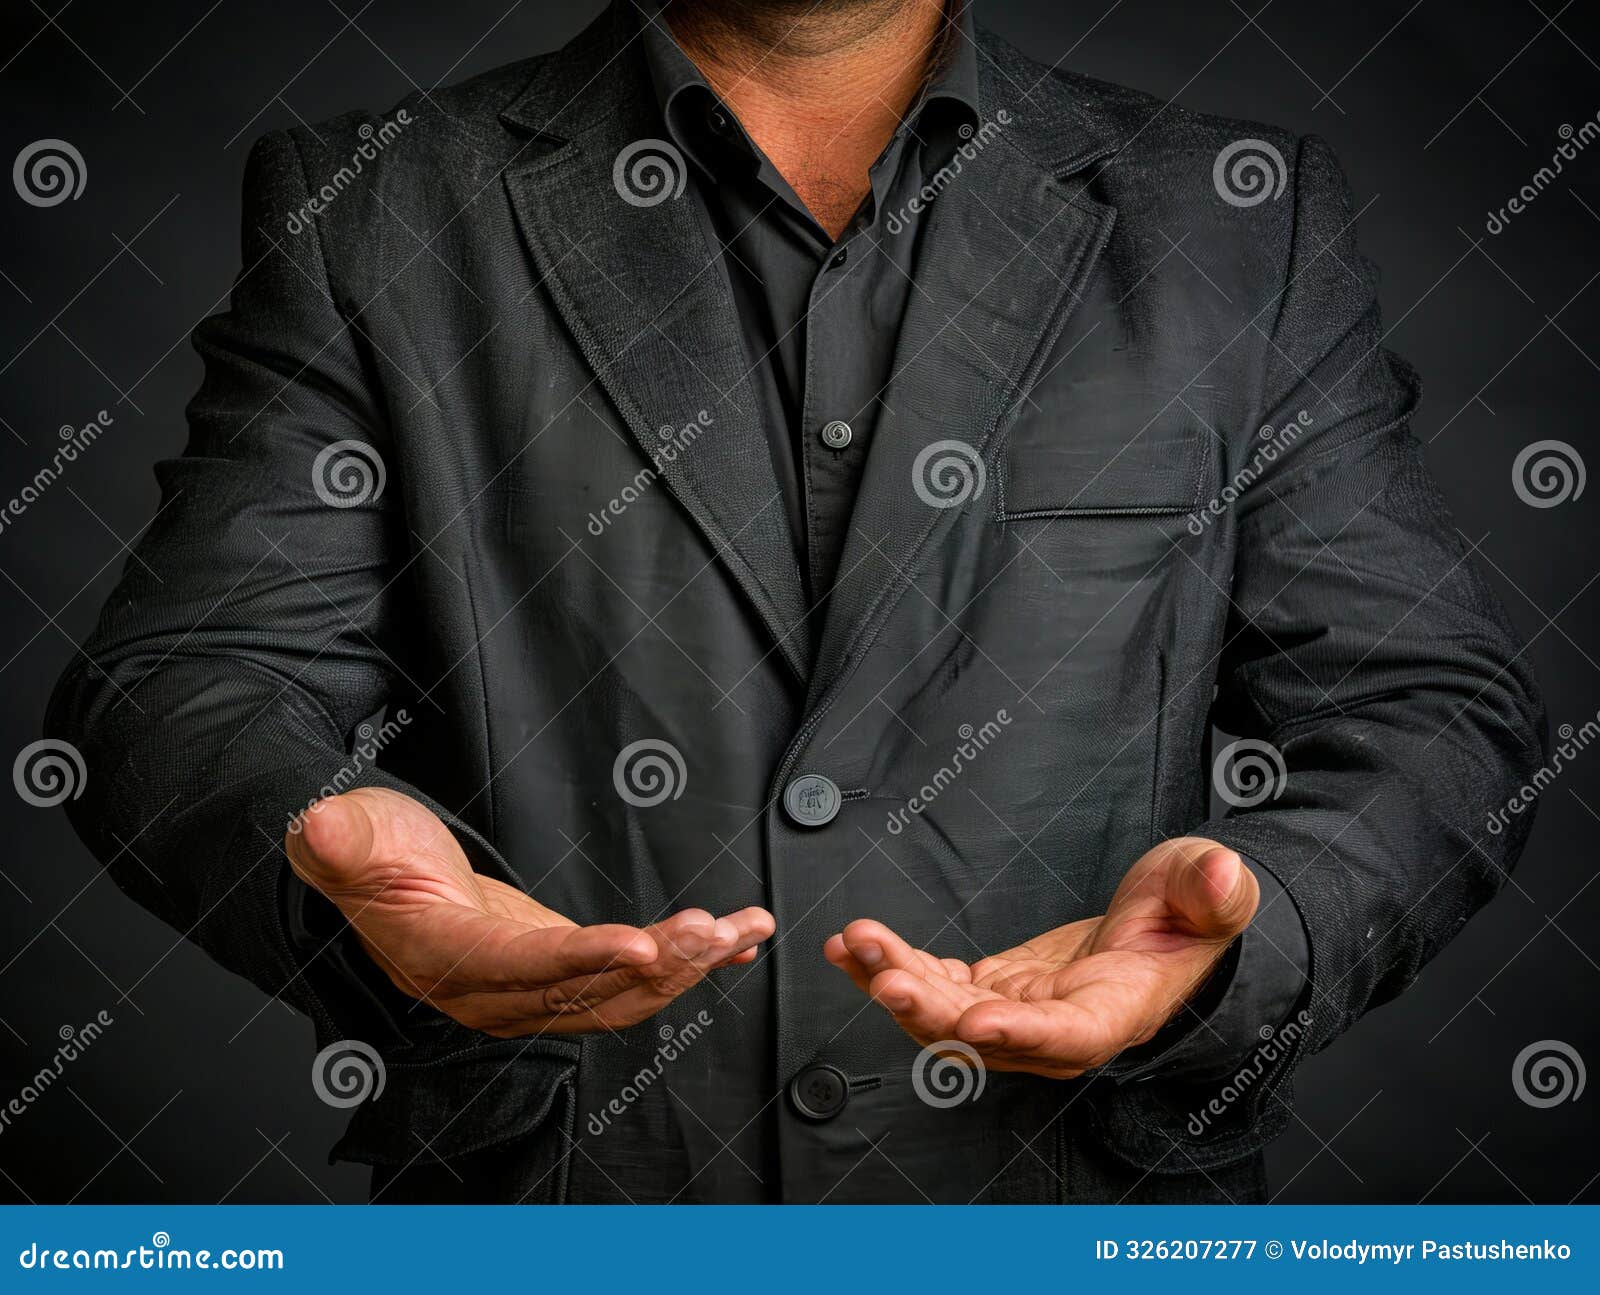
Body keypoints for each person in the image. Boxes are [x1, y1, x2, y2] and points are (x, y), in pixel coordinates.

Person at [47, 0, 1544, 1203]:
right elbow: (188, 682)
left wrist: (1252, 927)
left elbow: (1426, 712)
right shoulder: (375, 202)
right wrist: (327, 864)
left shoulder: (1238, 221)